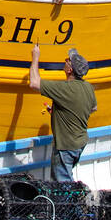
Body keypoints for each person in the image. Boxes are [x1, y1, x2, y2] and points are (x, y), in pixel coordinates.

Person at [29, 42, 97, 182]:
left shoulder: (65, 89)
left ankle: (68, 203)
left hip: (66, 146)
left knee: (62, 186)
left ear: (70, 70)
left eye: (67, 60)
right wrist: (63, 112)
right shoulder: (88, 87)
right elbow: (92, 108)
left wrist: (35, 57)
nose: (65, 61)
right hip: (80, 142)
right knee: (65, 176)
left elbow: (34, 82)